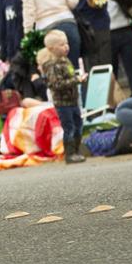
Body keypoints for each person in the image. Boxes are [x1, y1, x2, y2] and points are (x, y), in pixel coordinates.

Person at [40, 29, 86, 164]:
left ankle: (77, 150)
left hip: (73, 101)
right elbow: (56, 84)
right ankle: (70, 154)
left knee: (78, 125)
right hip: (62, 103)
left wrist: (79, 79)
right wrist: (76, 80)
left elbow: (71, 77)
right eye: (61, 44)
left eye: (66, 43)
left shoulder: (66, 61)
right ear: (51, 48)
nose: (66, 46)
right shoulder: (52, 65)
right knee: (69, 128)